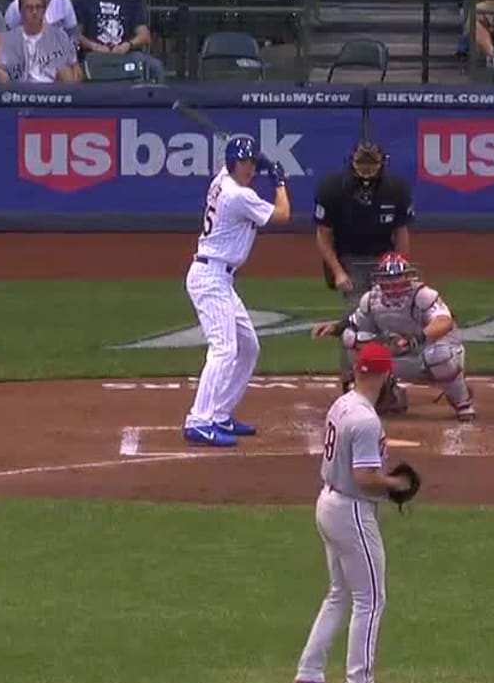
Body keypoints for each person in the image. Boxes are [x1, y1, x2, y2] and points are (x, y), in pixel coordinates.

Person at [290, 340, 414, 683]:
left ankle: (309, 674)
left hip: (328, 503)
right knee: (371, 599)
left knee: (340, 593)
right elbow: (365, 477)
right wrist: (396, 485)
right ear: (385, 373)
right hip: (352, 511)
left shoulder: (342, 403)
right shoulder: (365, 419)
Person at [180, 135, 292, 448]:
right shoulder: (236, 196)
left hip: (220, 278)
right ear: (232, 163)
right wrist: (279, 180)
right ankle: (199, 420)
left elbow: (237, 171)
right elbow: (283, 215)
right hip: (210, 276)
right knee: (224, 349)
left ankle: (219, 412)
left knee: (248, 346)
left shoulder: (221, 181)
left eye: (252, 163)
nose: (249, 169)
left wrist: (257, 161)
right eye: (244, 163)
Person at [311, 253, 475, 422]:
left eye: (398, 277)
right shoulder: (372, 299)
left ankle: (462, 402)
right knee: (350, 337)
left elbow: (444, 322)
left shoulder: (423, 295)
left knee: (439, 355)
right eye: (388, 278)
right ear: (380, 280)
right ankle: (387, 393)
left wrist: (416, 339)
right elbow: (355, 323)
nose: (393, 282)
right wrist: (335, 327)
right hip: (395, 352)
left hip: (429, 353)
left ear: (407, 276)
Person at [313, 139, 414, 395]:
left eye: (372, 164)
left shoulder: (396, 190)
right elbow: (324, 234)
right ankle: (351, 381)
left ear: (382, 163)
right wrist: (337, 271)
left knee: (389, 318)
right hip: (349, 258)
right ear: (352, 162)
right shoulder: (333, 189)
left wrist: (400, 269)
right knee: (357, 318)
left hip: (383, 260)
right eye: (362, 163)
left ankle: (384, 380)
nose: (367, 169)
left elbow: (401, 233)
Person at [0, 0, 80, 83]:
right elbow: (1, 66)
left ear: (44, 10)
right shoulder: (10, 39)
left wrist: (70, 77)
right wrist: (0, 72)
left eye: (38, 7)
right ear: (20, 10)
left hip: (53, 92)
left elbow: (75, 68)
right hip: (21, 92)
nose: (34, 12)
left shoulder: (60, 37)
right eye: (29, 8)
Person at [74, 0, 162, 80]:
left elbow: (145, 36)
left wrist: (128, 45)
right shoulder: (85, 1)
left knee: (155, 66)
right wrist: (94, 46)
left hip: (126, 56)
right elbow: (75, 35)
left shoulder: (131, 2)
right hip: (93, 56)